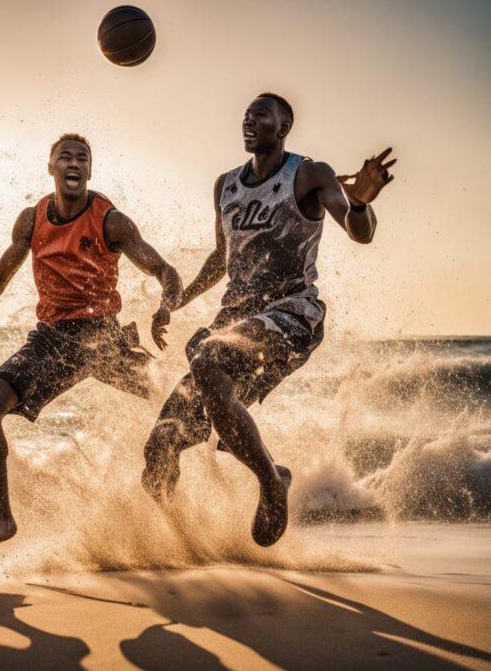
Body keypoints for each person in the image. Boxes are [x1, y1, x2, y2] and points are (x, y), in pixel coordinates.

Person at [141, 93, 396, 547]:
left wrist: (359, 202)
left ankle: (271, 482)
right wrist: (176, 301)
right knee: (158, 448)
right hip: (234, 322)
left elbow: (361, 233)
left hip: (292, 314)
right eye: (246, 114)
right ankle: (187, 548)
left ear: (282, 127)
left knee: (207, 354)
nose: (249, 119)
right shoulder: (225, 186)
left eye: (260, 113)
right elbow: (221, 258)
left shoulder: (308, 174)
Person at [0, 133, 182, 568]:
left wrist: (165, 307)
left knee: (184, 400)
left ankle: (224, 478)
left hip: (104, 339)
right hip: (53, 340)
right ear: (51, 167)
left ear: (89, 171)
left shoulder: (111, 222)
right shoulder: (31, 220)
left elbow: (165, 270)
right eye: (65, 157)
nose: (73, 163)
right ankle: (0, 520)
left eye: (82, 159)